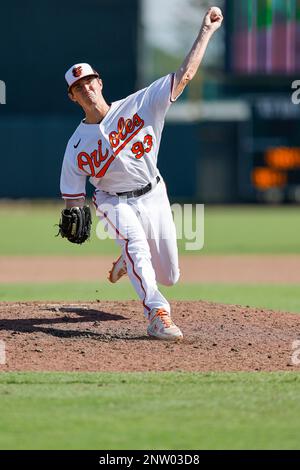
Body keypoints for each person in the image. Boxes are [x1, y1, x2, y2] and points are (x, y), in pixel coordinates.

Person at [60, 6, 223, 341]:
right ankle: (157, 313)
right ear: (73, 97)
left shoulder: (140, 103)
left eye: (90, 80)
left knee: (171, 275)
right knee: (136, 244)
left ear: (100, 83)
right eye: (79, 86)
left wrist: (205, 32)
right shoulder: (76, 146)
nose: (87, 88)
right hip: (112, 201)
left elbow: (184, 75)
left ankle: (128, 260)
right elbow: (73, 195)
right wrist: (71, 211)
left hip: (154, 193)